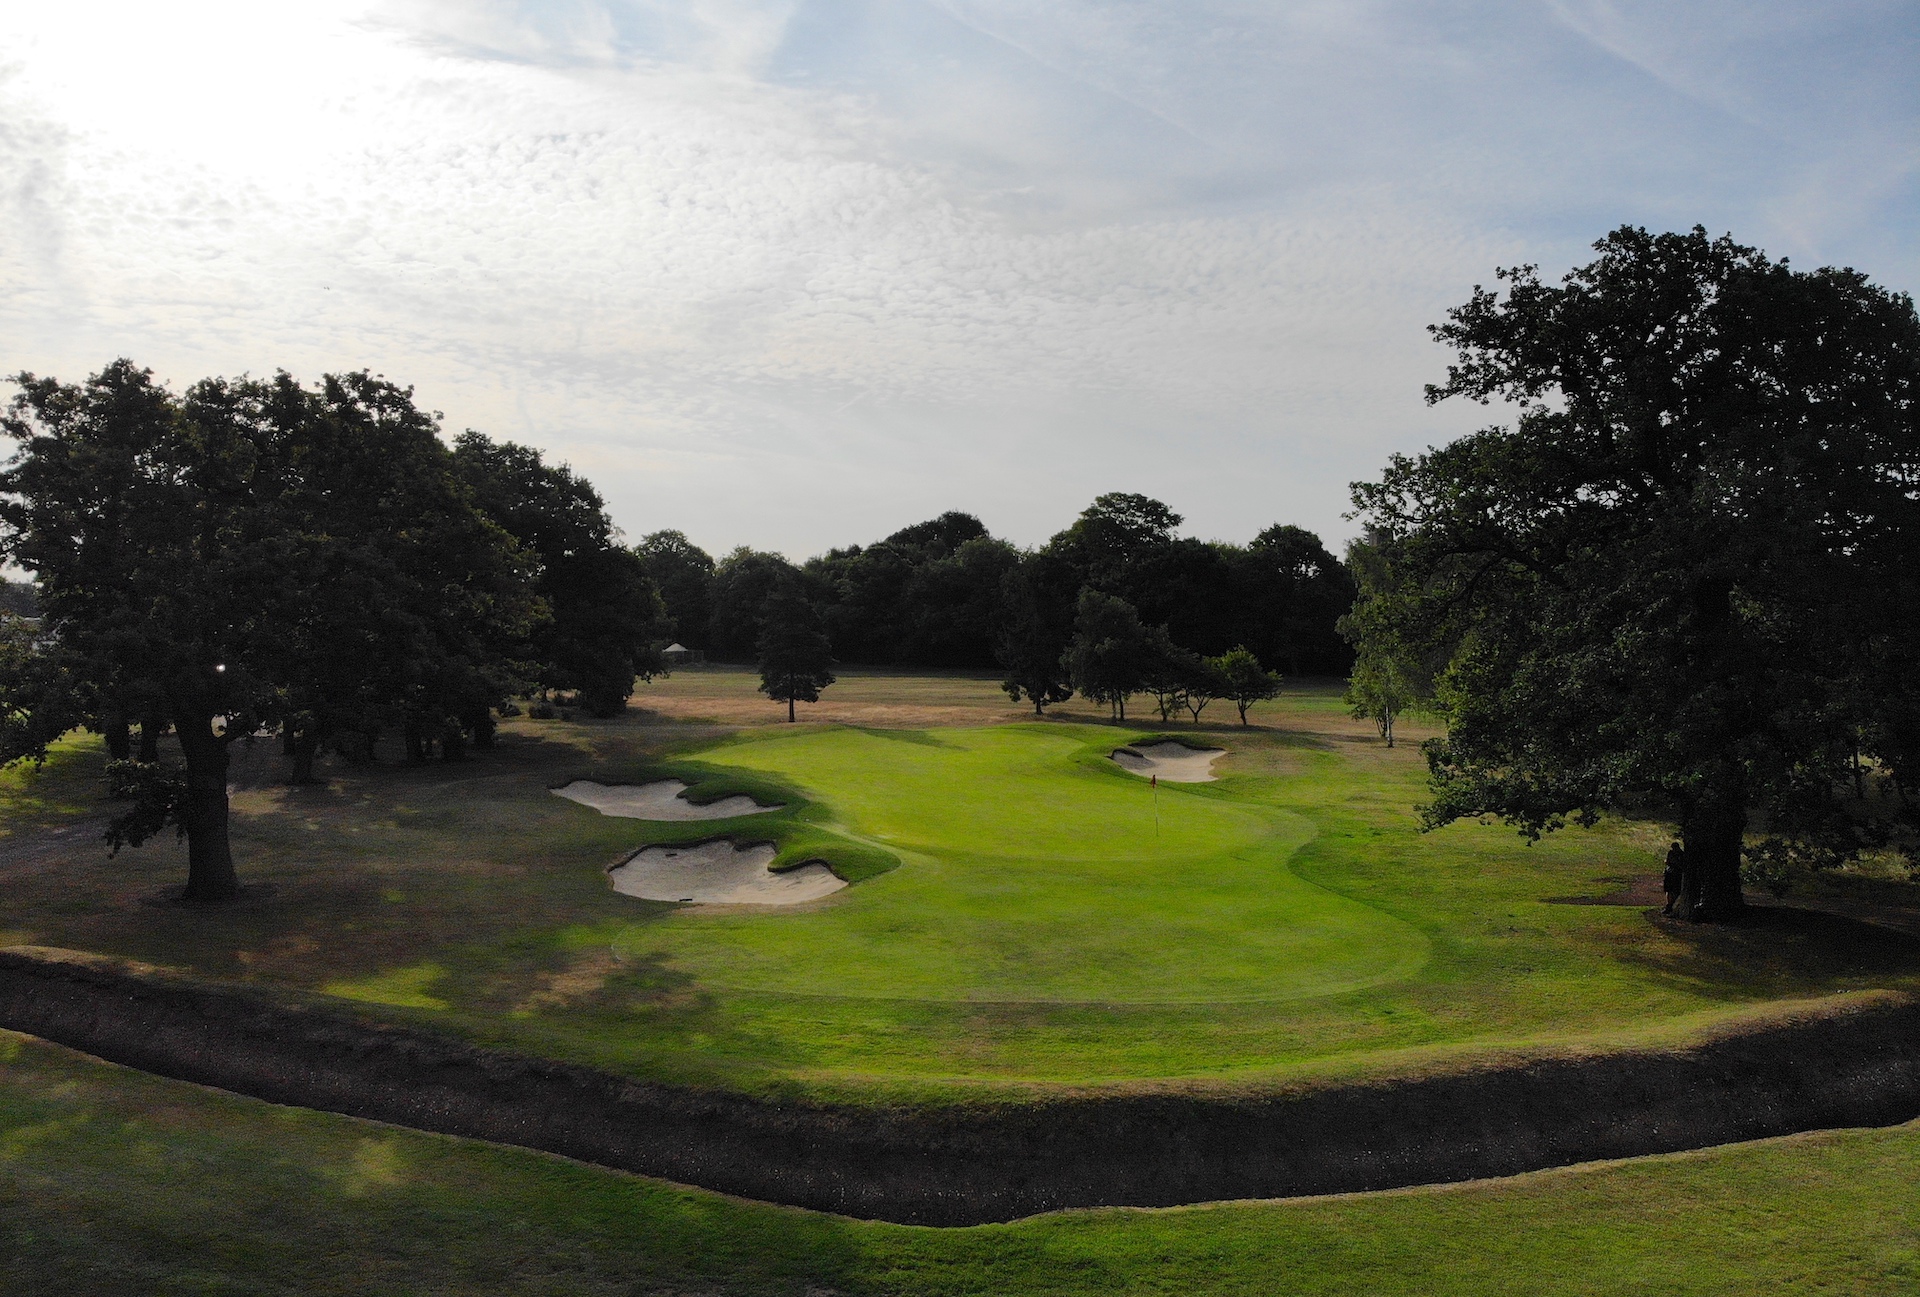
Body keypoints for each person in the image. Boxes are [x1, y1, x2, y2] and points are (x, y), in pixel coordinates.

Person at [1662, 842, 1685, 916]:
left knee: (1674, 891)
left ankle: (1671, 906)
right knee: (1669, 891)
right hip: (1671, 874)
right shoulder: (1672, 853)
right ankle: (1669, 905)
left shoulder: (1681, 855)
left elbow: (1674, 863)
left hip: (1676, 875)